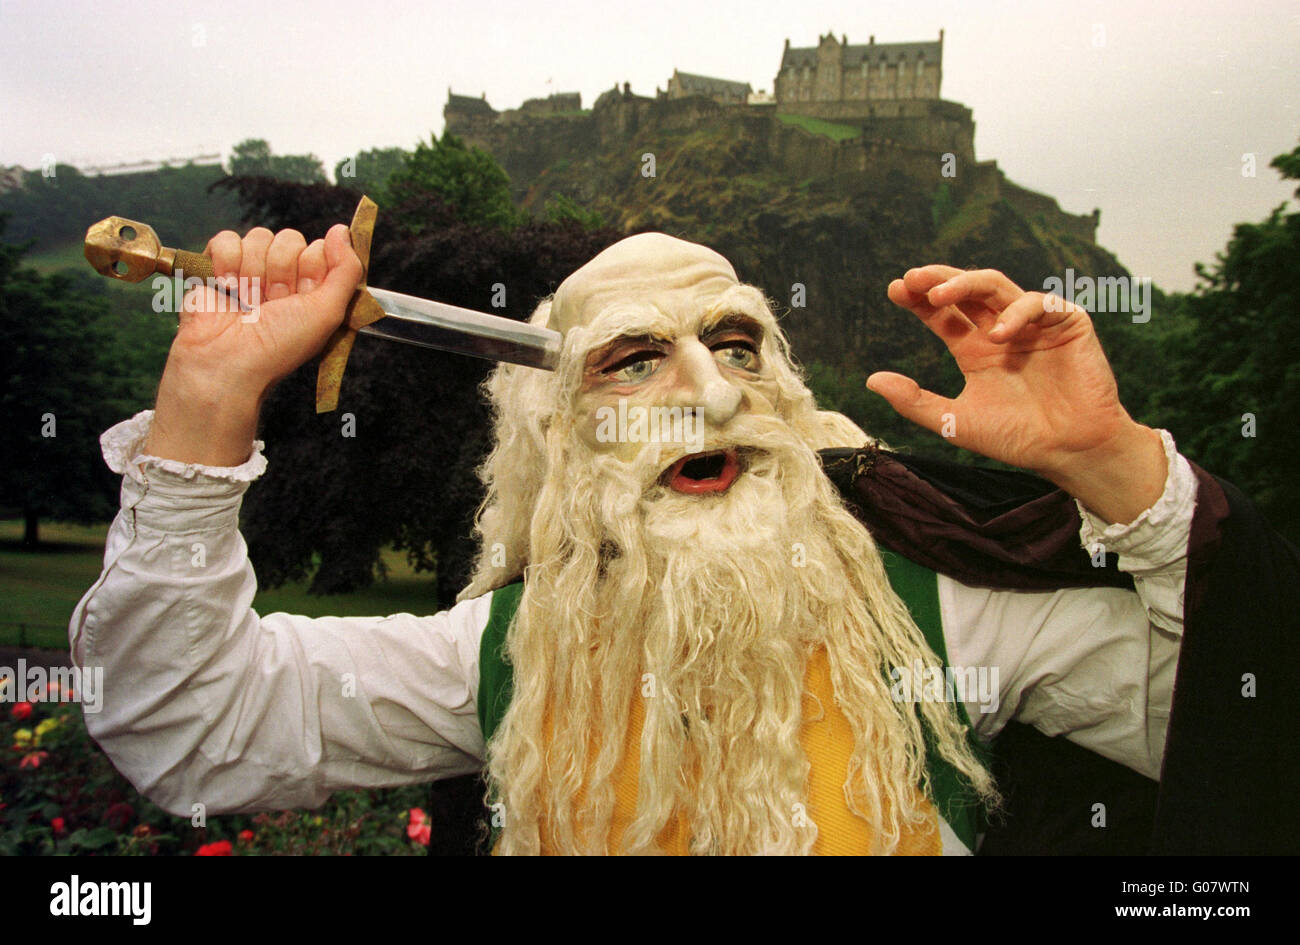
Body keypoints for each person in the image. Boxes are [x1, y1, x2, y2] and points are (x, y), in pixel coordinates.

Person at [69, 222, 1297, 855]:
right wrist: (207, 404)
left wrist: (1117, 472)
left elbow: (1244, 725)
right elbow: (189, 727)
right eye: (636, 359)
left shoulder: (946, 625)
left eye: (738, 345)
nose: (709, 397)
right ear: (563, 434)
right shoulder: (498, 657)